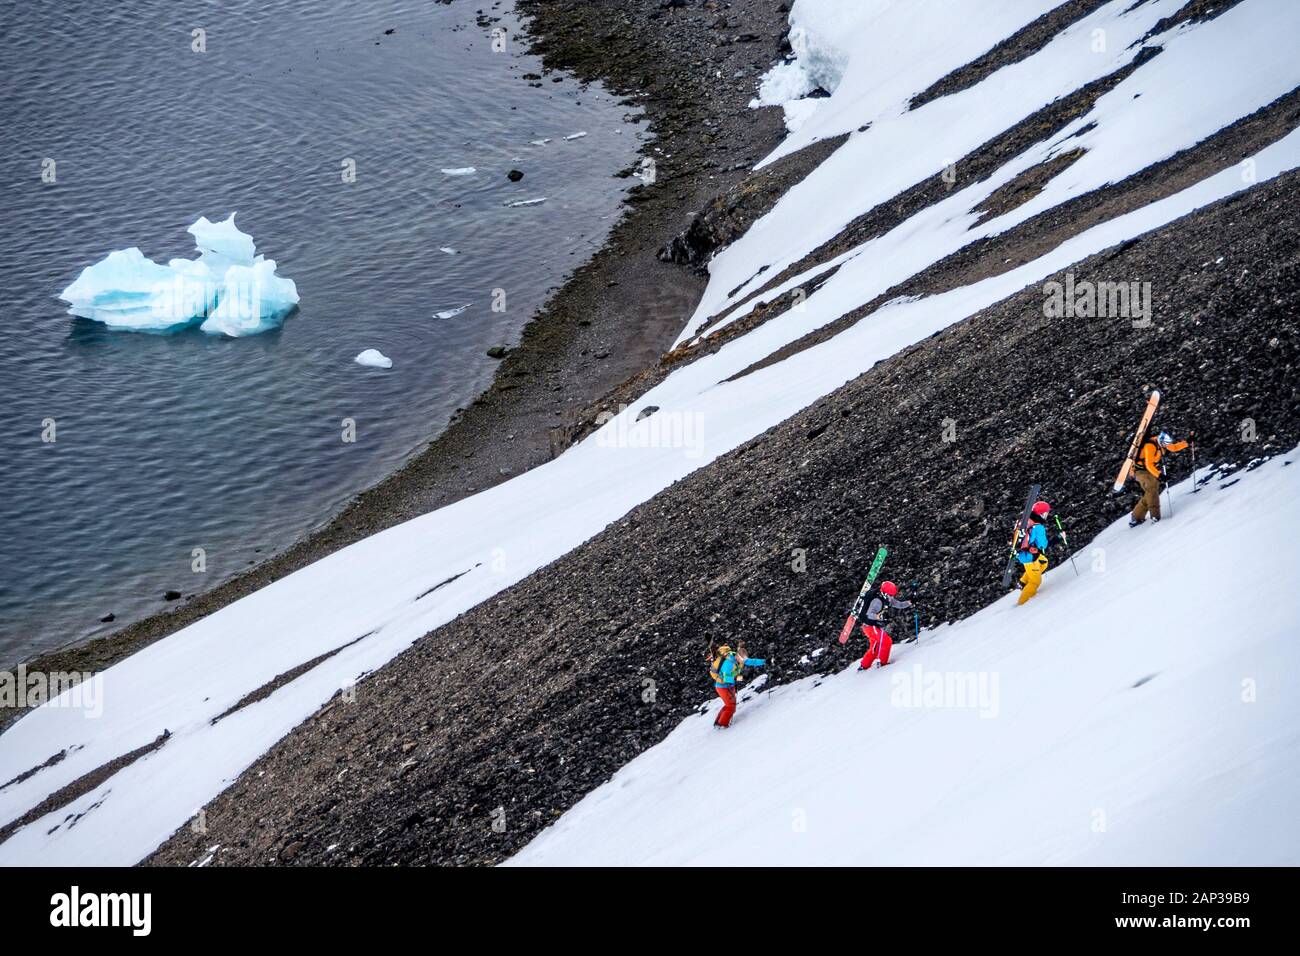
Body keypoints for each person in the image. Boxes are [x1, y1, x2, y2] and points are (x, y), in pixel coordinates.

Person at [1130, 430, 1189, 526]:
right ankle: (1155, 517)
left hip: (1150, 470)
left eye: (1167, 444)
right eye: (1165, 445)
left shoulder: (1163, 442)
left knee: (1150, 492)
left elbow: (1173, 447)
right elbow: (1148, 465)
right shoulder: (1150, 446)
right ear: (1161, 441)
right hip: (1141, 471)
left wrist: (1187, 442)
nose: (1166, 446)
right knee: (1152, 490)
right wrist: (1160, 475)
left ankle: (1136, 517)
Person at [709, 643, 766, 729]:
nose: (743, 662)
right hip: (722, 686)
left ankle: (718, 723)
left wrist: (765, 661)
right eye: (742, 660)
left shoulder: (740, 658)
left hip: (730, 686)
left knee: (730, 705)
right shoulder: (728, 663)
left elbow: (751, 661)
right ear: (737, 656)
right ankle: (722, 725)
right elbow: (726, 678)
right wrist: (740, 678)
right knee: (731, 707)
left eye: (744, 660)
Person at [858, 581, 912, 670]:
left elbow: (897, 604)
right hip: (870, 626)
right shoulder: (877, 601)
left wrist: (908, 603)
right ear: (885, 593)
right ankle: (883, 663)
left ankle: (864, 665)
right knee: (886, 641)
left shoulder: (887, 598)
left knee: (875, 647)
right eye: (890, 595)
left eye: (892, 595)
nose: (892, 597)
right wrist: (878, 617)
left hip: (872, 626)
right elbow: (869, 614)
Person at [1016, 501, 1052, 605]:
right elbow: (1043, 545)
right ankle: (1022, 603)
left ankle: (1023, 582)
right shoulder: (1039, 527)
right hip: (1030, 558)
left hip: (1025, 554)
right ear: (1040, 514)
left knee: (1044, 562)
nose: (1046, 516)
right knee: (1035, 581)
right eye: (1045, 513)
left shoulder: (1027, 521)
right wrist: (1058, 538)